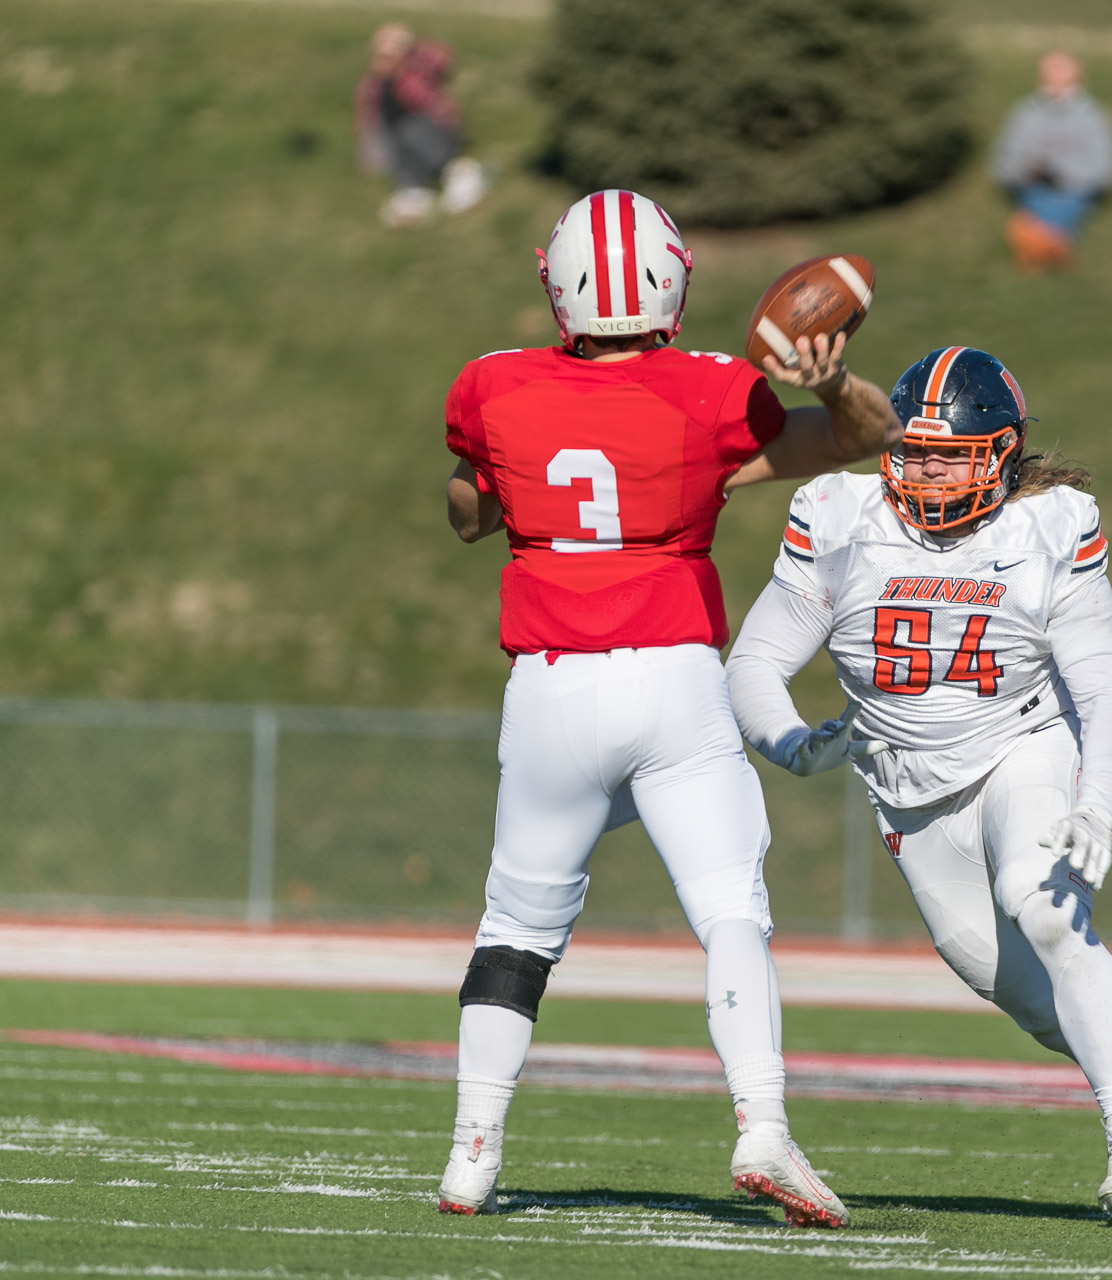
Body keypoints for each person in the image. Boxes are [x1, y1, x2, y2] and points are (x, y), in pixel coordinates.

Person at [436, 189, 900, 1225]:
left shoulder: (492, 384)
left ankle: (473, 1148)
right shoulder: (711, 391)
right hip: (673, 677)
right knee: (731, 905)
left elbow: (468, 515)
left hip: (551, 682)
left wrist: (505, 488)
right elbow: (855, 439)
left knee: (515, 923)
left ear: (556, 283)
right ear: (671, 281)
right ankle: (763, 1123)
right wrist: (836, 380)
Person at [726, 346, 1112, 1225]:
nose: (928, 472)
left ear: (1003, 453)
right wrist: (788, 744)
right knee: (1033, 1004)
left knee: (1044, 909)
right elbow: (753, 667)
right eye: (914, 450)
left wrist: (1096, 804)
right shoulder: (840, 518)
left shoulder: (1048, 528)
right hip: (907, 793)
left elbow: (1104, 687)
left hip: (1022, 747)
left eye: (952, 454)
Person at [990, 51, 1112, 272]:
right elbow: (1003, 163)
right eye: (1051, 81)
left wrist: (1065, 174)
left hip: (1074, 189)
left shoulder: (1093, 117)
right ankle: (1054, 246)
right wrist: (1026, 171)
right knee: (1040, 199)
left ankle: (1034, 244)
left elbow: (1105, 169)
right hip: (1033, 187)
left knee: (1057, 206)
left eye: (1065, 83)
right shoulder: (1025, 114)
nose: (1058, 88)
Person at [355, 23, 487, 228]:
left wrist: (412, 46)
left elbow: (444, 60)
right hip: (401, 142)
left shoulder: (417, 69)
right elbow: (368, 116)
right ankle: (412, 190)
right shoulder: (375, 84)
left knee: (410, 129)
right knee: (399, 134)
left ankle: (455, 171)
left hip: (437, 132)